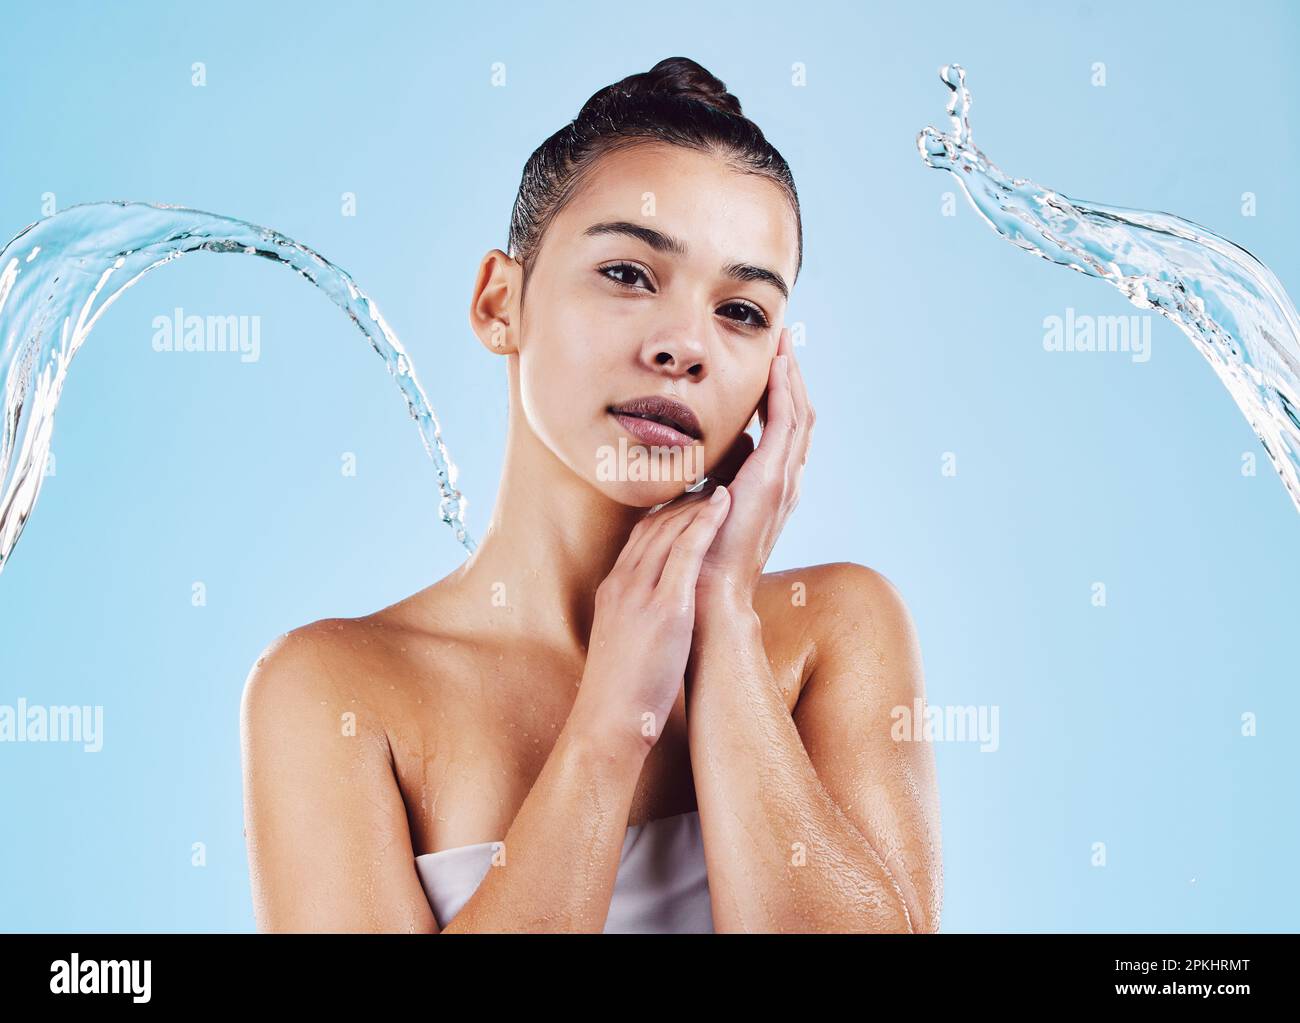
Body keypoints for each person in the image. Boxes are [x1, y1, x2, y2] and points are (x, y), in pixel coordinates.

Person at [240, 56, 942, 933]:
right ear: (502, 301)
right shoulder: (334, 690)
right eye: (629, 274)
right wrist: (610, 727)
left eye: (742, 311)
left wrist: (722, 617)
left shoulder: (835, 629)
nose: (685, 345)